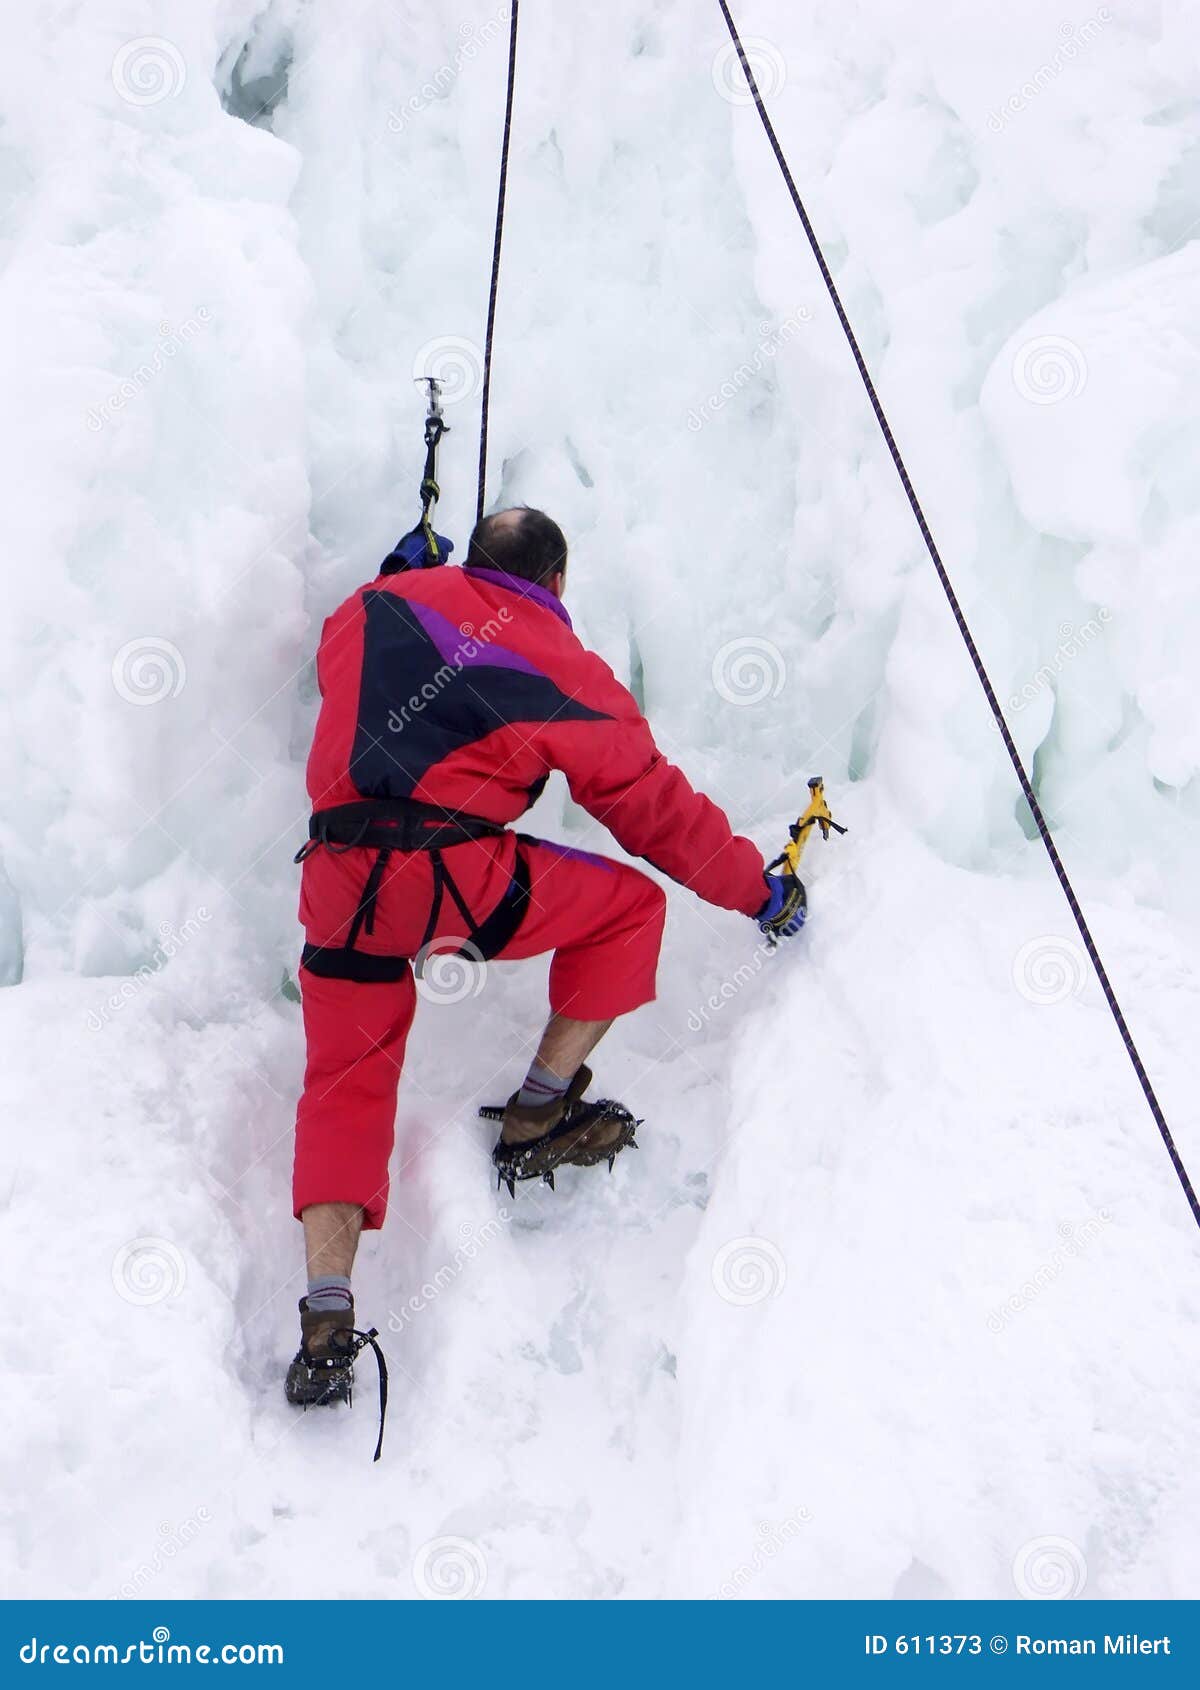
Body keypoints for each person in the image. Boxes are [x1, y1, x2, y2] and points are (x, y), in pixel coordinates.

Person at [285, 506, 804, 1407]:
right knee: (630, 908)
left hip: (337, 883)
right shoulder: (560, 665)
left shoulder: (369, 605)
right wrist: (758, 893)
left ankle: (326, 1318)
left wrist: (406, 568)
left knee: (345, 1080)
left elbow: (358, 630)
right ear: (557, 582)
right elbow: (655, 810)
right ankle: (538, 1113)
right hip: (452, 879)